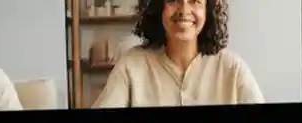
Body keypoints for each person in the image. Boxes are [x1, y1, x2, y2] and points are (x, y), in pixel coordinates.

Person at [92, 0, 264, 108]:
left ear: (208, 9)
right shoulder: (131, 66)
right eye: (173, 0)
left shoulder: (233, 68)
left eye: (195, 1)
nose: (183, 10)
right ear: (159, 7)